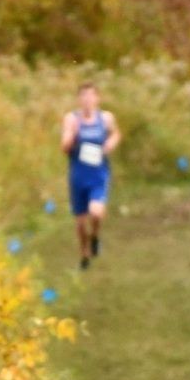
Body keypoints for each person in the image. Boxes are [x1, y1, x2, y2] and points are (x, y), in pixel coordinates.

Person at [61, 81, 120, 269]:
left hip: (98, 174)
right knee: (80, 222)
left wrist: (111, 142)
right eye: (83, 96)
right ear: (79, 99)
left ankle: (95, 236)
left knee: (96, 213)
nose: (87, 100)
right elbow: (64, 147)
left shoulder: (106, 118)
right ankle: (84, 252)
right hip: (78, 175)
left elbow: (116, 134)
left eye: (91, 96)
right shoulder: (72, 119)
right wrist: (71, 138)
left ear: (97, 98)